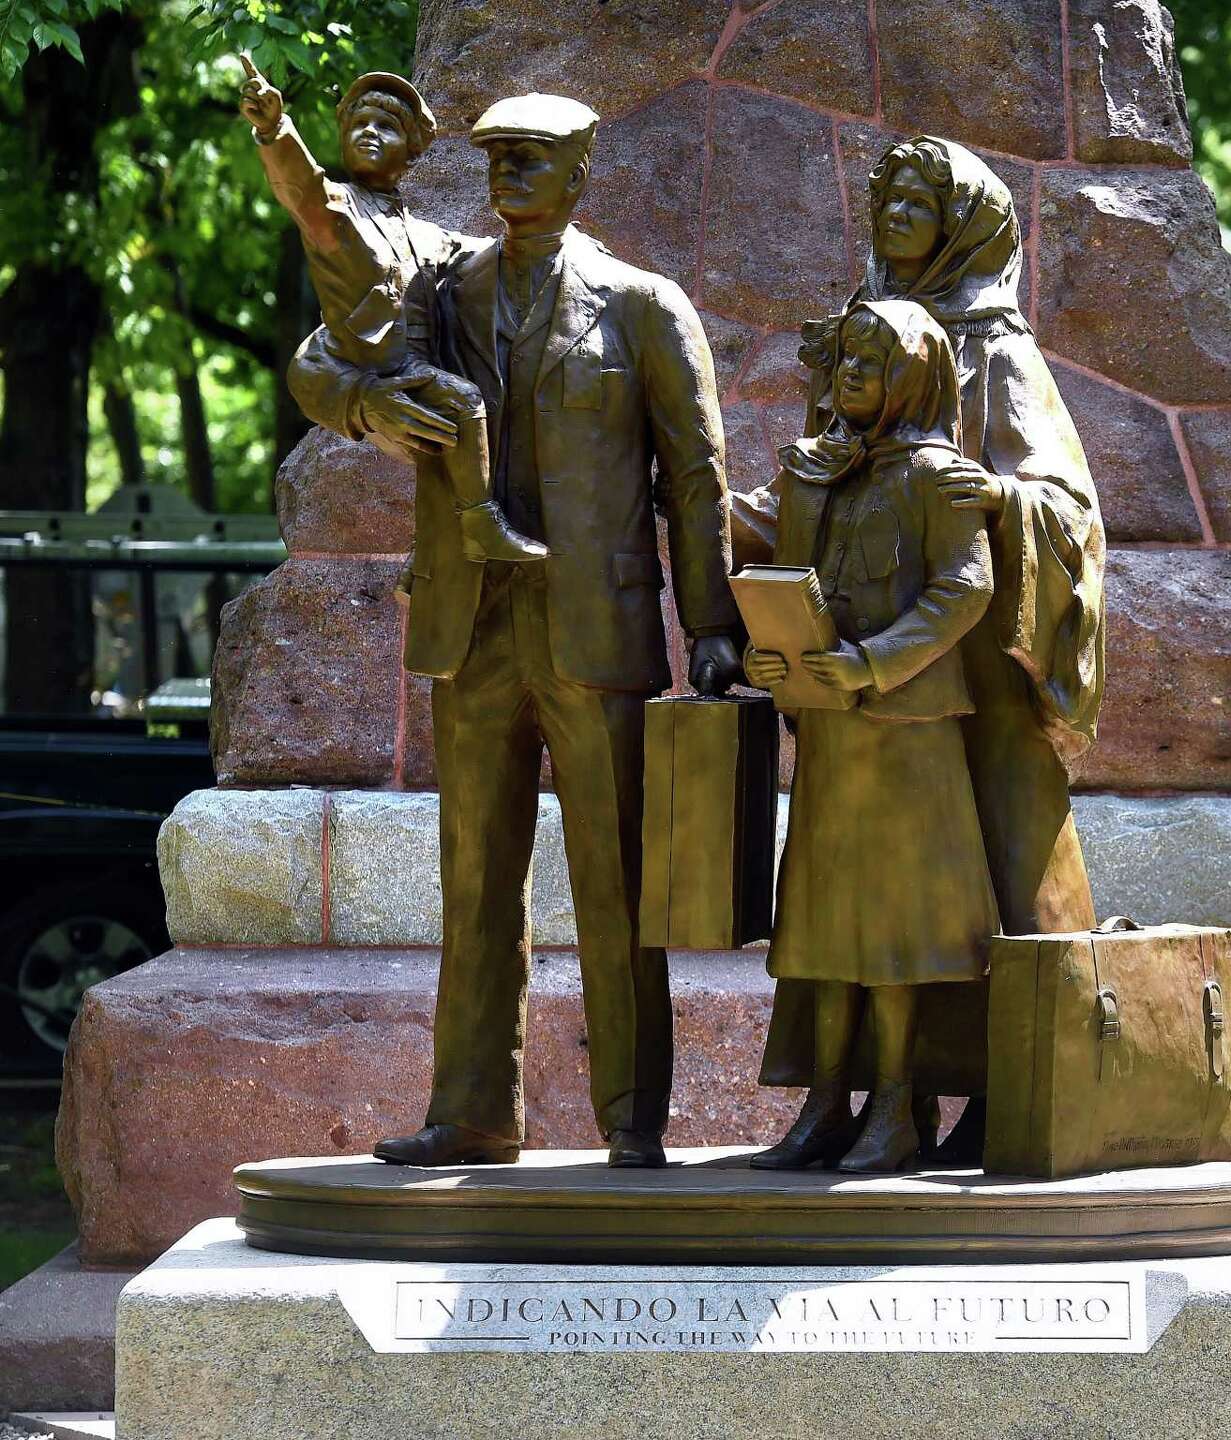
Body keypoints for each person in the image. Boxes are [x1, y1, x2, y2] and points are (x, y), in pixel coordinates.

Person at [287, 93, 743, 1170]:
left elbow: (697, 477)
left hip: (597, 628)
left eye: (532, 157)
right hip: (473, 628)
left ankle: (633, 1121)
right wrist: (366, 409)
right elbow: (319, 361)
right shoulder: (443, 289)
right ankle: (473, 1112)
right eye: (495, 157)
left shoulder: (643, 307)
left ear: (583, 170)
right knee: (474, 877)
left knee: (617, 883)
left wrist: (712, 621)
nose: (509, 173)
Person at [742, 137, 1105, 1161]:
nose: (896, 211)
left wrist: (996, 498)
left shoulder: (997, 349)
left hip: (974, 664)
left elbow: (1068, 508)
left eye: (921, 198)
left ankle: (1015, 1090)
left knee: (984, 872)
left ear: (967, 223)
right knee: (856, 886)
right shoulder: (866, 343)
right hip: (865, 667)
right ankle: (851, 1097)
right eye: (887, 194)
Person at [741, 299, 999, 1174]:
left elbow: (965, 589)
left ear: (915, 377)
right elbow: (786, 576)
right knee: (820, 922)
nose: (849, 372)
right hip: (830, 734)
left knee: (893, 930)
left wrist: (873, 662)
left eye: (871, 360)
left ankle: (895, 1106)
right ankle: (825, 1103)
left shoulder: (936, 473)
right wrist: (771, 657)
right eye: (843, 357)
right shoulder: (823, 474)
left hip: (907, 732)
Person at [238, 59, 543, 565]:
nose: (369, 134)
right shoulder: (334, 212)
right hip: (388, 371)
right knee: (465, 403)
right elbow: (301, 188)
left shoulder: (425, 234)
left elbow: (483, 256)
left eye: (385, 127)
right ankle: (479, 520)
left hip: (420, 369)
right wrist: (274, 129)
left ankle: (430, 558)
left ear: (411, 151)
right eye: (359, 125)